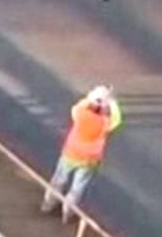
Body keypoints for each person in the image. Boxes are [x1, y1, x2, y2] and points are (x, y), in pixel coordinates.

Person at [39, 86, 123, 222]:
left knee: (59, 179)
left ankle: (48, 204)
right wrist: (112, 102)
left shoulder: (80, 113)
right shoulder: (104, 122)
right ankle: (67, 212)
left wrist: (93, 98)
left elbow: (78, 106)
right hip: (89, 160)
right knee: (77, 187)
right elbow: (117, 120)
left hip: (70, 154)